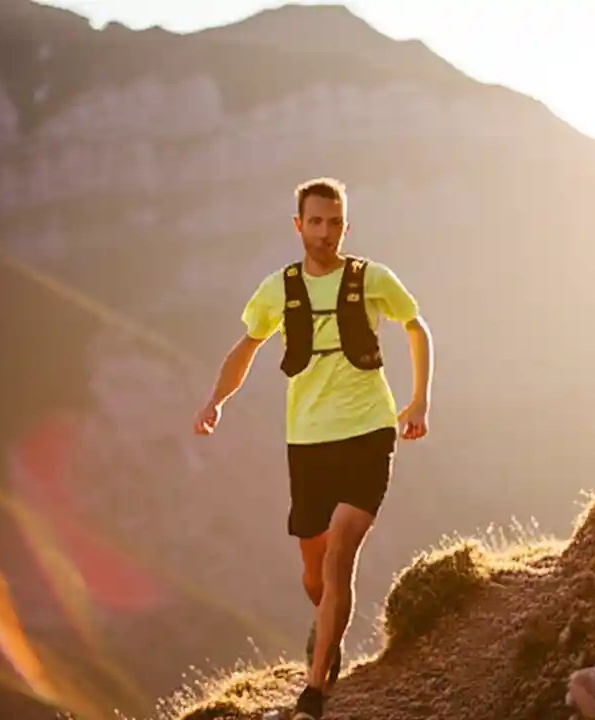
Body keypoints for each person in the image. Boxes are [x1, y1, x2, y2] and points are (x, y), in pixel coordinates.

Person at [192, 176, 434, 720]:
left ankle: (315, 689)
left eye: (335, 222)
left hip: (369, 431)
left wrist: (418, 401)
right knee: (315, 570)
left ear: (346, 226)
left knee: (340, 558)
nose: (325, 232)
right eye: (315, 221)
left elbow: (416, 328)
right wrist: (216, 399)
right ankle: (328, 627)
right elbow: (246, 347)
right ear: (298, 225)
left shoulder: (373, 279)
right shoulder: (276, 289)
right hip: (307, 441)